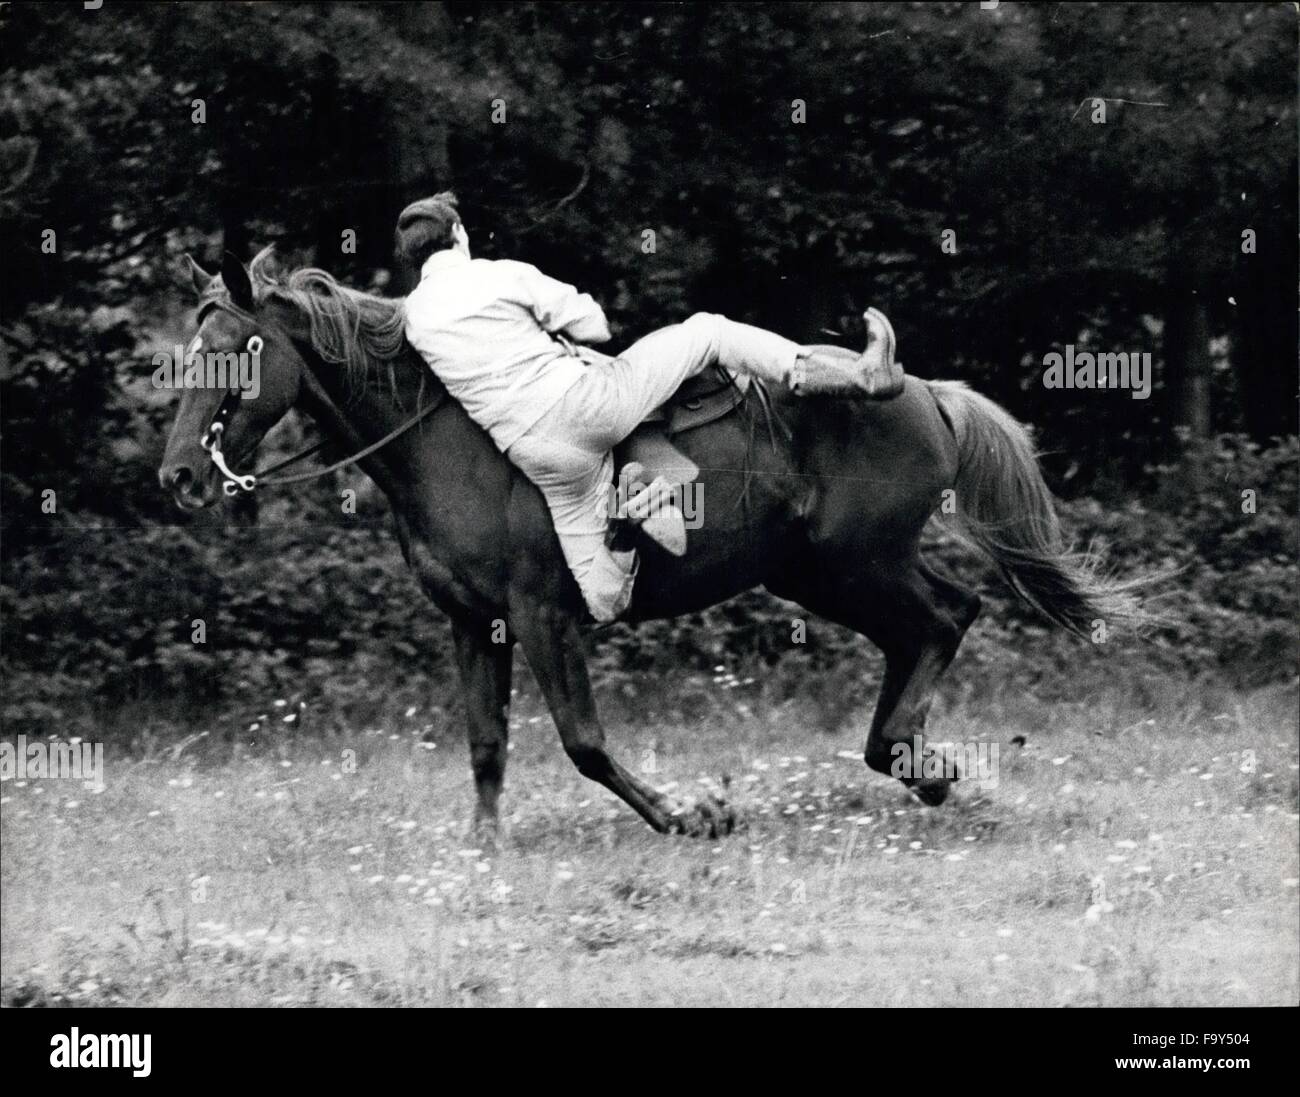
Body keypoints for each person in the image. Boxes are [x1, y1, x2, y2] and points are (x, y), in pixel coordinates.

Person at [398, 192, 904, 623]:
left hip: (536, 455)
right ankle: (858, 375)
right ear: (459, 234)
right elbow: (594, 328)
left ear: (412, 259)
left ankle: (627, 523)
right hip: (591, 408)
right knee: (710, 331)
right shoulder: (500, 275)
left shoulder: (414, 317)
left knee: (602, 601)